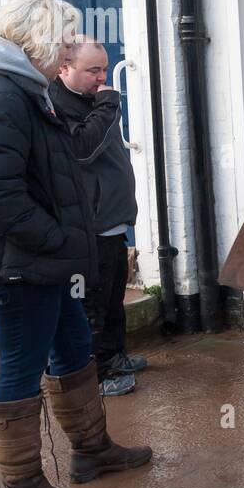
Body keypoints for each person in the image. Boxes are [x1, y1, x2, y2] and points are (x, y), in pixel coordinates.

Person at [0, 0, 152, 488]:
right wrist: (58, 240)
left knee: (75, 347)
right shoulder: (1, 96)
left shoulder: (19, 88)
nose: (64, 54)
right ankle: (22, 487)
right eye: (61, 41)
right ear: (35, 39)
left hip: (36, 261)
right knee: (21, 367)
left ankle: (91, 450)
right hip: (15, 264)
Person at [49, 36, 147, 397]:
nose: (102, 78)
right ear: (64, 67)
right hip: (89, 223)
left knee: (113, 296)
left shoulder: (91, 99)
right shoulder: (57, 102)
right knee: (93, 301)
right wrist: (107, 106)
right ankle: (98, 374)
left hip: (112, 218)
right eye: (93, 70)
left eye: (105, 69)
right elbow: (81, 150)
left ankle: (114, 354)